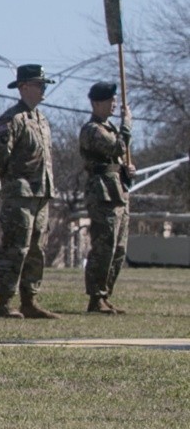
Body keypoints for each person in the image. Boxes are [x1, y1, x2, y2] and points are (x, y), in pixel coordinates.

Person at [0, 64, 57, 320]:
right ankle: (6, 301)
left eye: (44, 85)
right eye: (39, 85)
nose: (43, 90)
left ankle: (30, 300)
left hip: (41, 193)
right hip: (19, 193)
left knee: (37, 248)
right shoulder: (12, 119)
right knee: (15, 248)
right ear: (24, 87)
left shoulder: (41, 119)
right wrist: (13, 180)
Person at [79, 81, 132, 315]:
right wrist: (127, 125)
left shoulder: (109, 127)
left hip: (117, 191)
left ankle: (106, 293)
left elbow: (117, 158)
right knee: (104, 246)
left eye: (115, 100)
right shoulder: (93, 129)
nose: (114, 105)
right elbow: (117, 147)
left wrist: (126, 170)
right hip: (102, 193)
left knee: (119, 248)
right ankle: (95, 296)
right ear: (96, 103)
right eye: (110, 101)